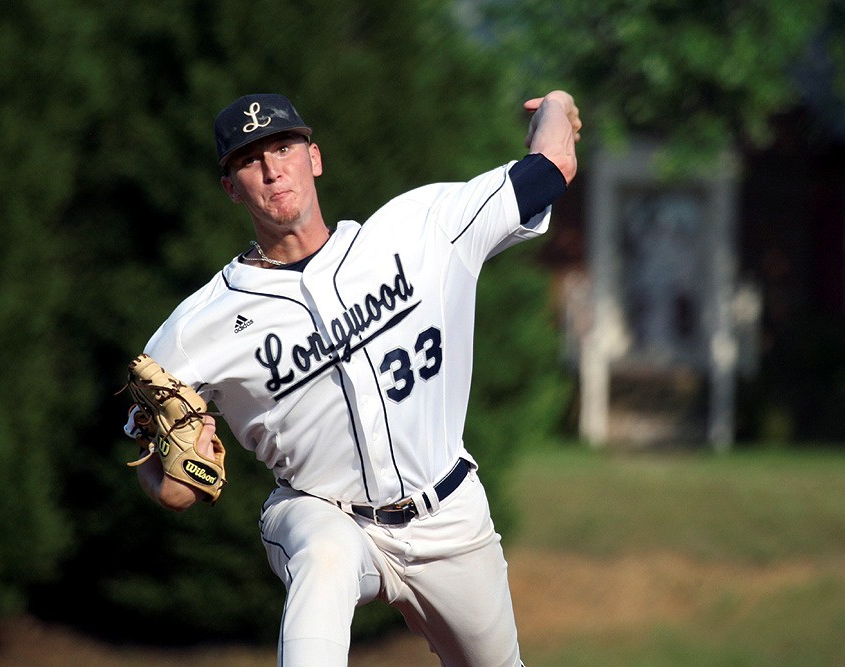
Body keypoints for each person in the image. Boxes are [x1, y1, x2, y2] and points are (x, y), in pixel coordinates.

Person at [130, 90, 581, 665]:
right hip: (322, 511)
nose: (272, 169)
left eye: (283, 147)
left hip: (448, 514)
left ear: (313, 157)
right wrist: (164, 479)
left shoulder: (419, 232)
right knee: (324, 556)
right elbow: (158, 469)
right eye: (249, 160)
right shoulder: (196, 328)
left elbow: (551, 168)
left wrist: (557, 106)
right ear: (230, 187)